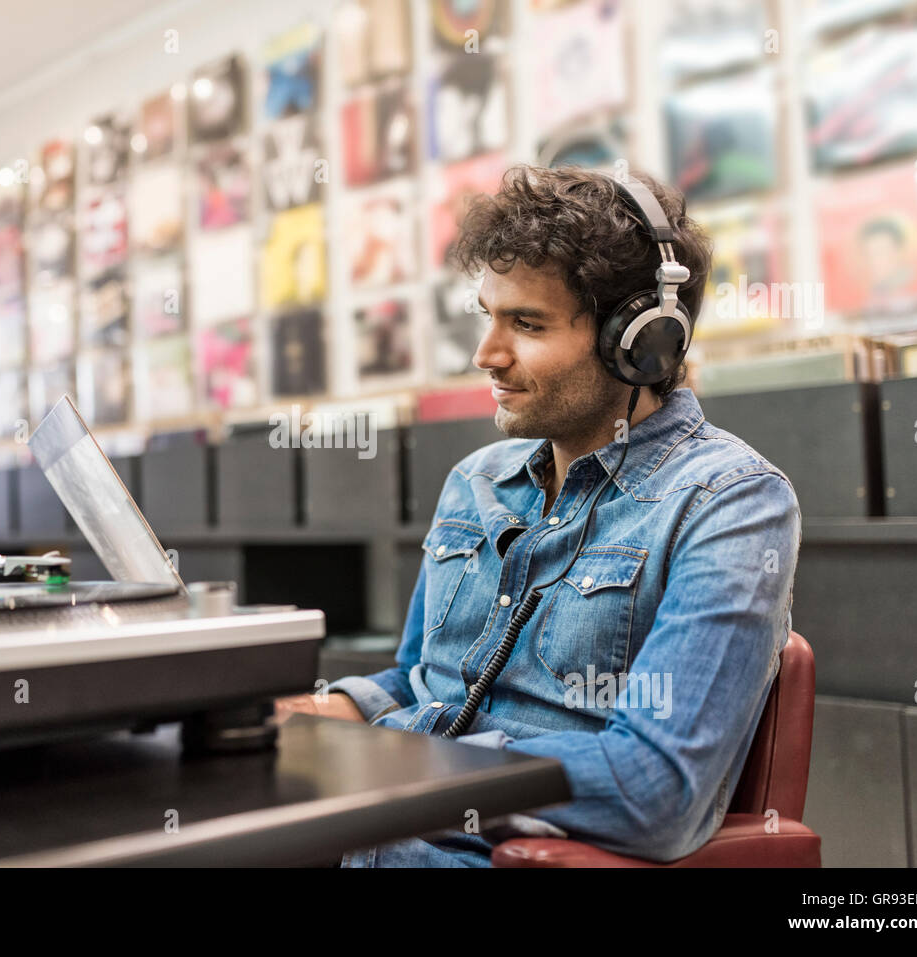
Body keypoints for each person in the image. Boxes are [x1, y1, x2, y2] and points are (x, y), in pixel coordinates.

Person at [276, 165, 801, 867]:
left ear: (640, 340)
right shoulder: (475, 481)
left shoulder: (728, 501)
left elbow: (656, 789)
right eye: (488, 315)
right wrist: (326, 714)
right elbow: (420, 678)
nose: (486, 355)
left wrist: (416, 765)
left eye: (526, 323)